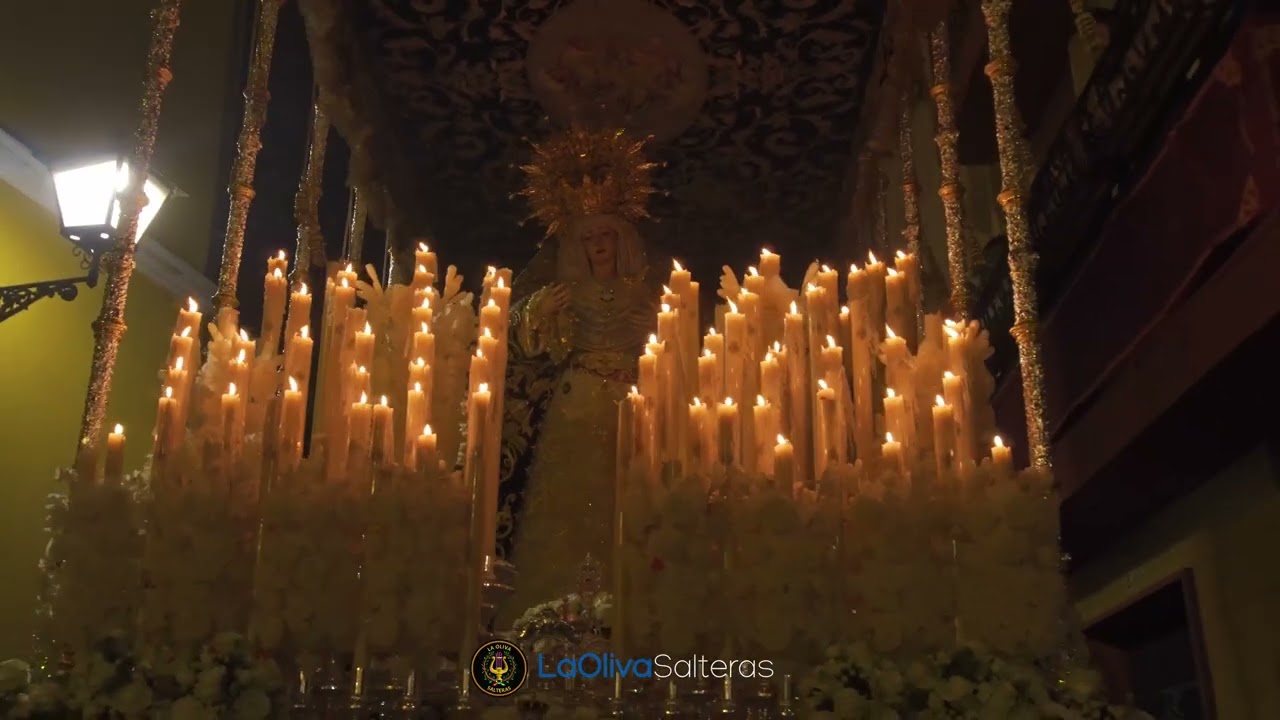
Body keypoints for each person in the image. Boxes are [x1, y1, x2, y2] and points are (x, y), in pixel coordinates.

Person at [494, 213, 661, 624]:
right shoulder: (564, 293)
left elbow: (670, 343)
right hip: (577, 400)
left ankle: (628, 612)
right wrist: (538, 310)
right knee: (568, 498)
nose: (599, 244)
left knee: (624, 494)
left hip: (629, 401)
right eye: (589, 238)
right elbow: (524, 340)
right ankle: (552, 610)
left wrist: (658, 326)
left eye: (606, 235)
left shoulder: (640, 293)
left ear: (621, 241)